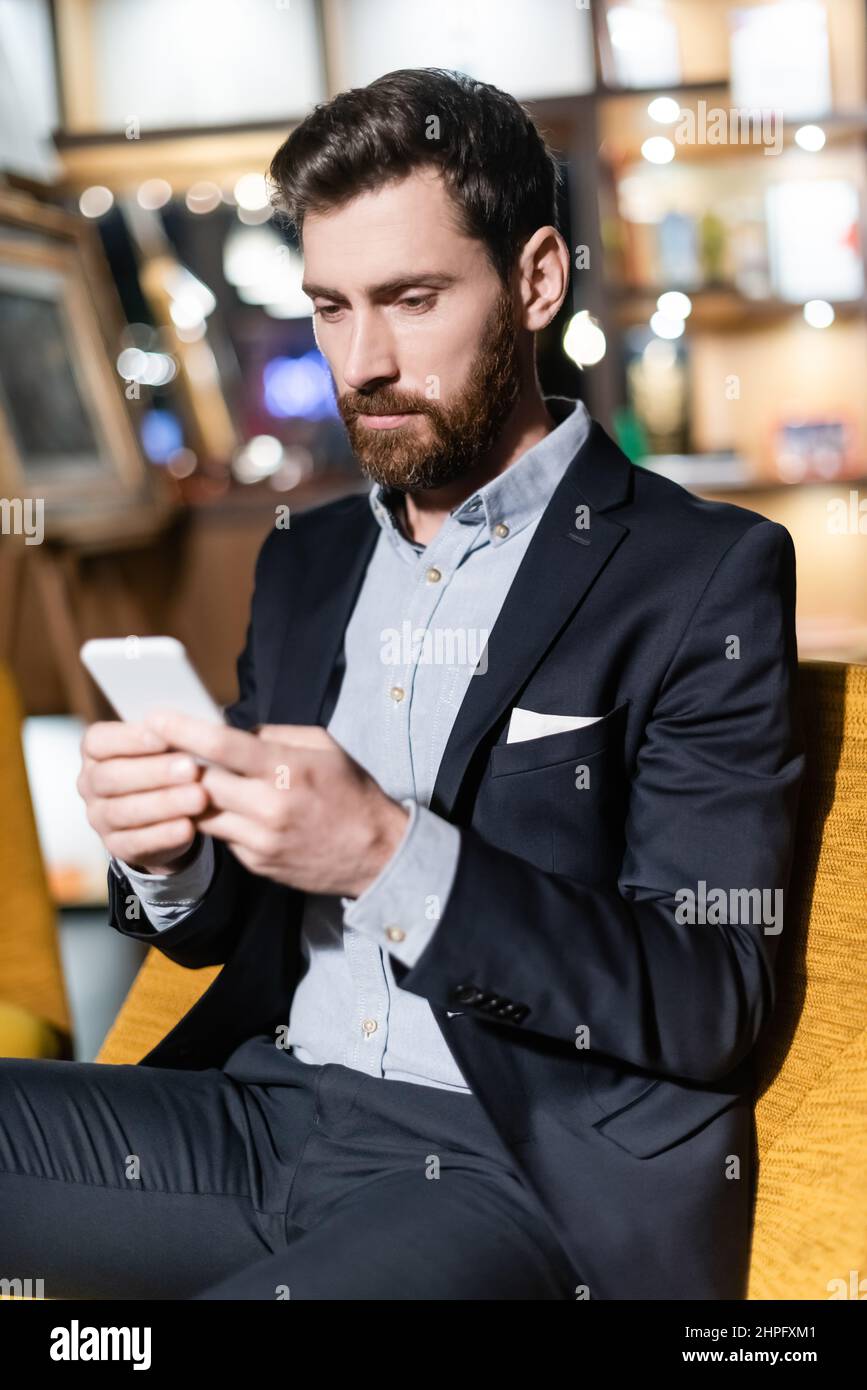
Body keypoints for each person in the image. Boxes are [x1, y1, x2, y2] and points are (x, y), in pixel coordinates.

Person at [0, 68, 804, 1300]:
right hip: (265, 1114)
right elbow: (230, 925)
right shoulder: (309, 560)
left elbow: (710, 995)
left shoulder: (703, 574)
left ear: (536, 279)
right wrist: (171, 856)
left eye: (412, 299)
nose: (361, 360)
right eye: (329, 308)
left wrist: (389, 852)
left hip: (517, 1167)